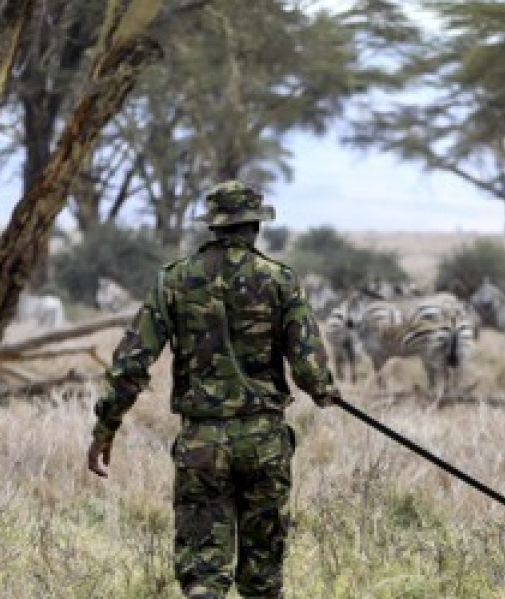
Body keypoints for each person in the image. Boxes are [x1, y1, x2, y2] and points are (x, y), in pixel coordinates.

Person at [87, 180, 340, 598]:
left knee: (203, 574)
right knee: (262, 577)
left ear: (214, 227)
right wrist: (325, 391)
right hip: (264, 441)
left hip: (201, 441)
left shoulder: (172, 281)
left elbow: (131, 362)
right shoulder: (279, 281)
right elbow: (310, 369)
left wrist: (104, 428)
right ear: (255, 226)